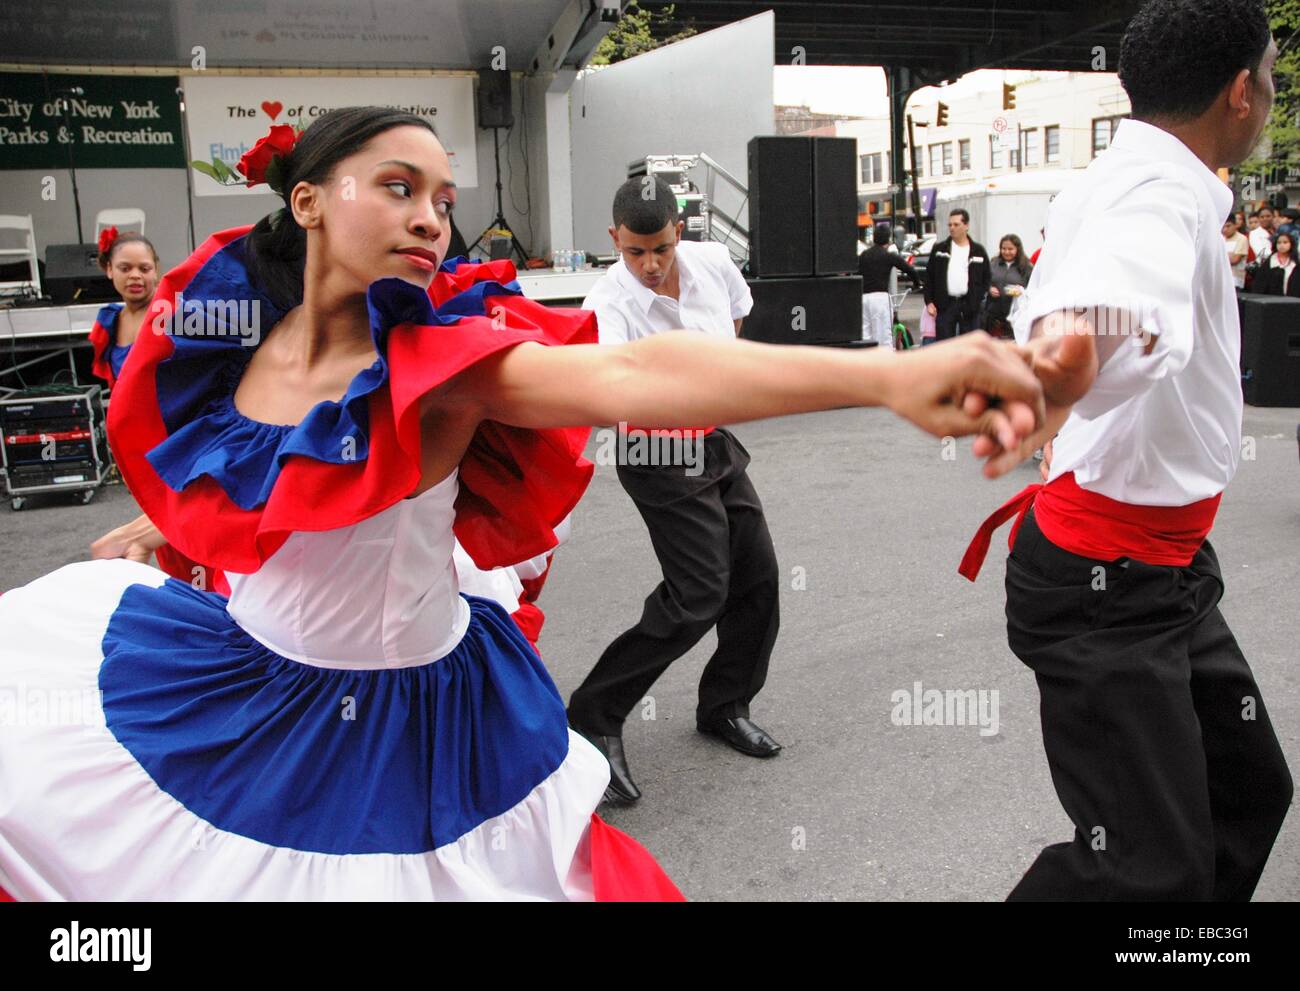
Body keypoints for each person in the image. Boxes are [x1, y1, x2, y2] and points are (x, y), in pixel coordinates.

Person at [0, 107, 1050, 901]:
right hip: (251, 678)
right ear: (309, 199)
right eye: (400, 186)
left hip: (415, 717)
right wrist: (160, 525)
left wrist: (881, 377)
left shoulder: (436, 356)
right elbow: (243, 487)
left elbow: (631, 377)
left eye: (443, 198)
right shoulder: (232, 338)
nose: (428, 216)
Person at [961, 0, 1292, 901]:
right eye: (1271, 74)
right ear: (1240, 91)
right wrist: (1070, 360)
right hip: (1104, 582)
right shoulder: (1159, 194)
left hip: (1163, 566)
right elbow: (1111, 305)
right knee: (1147, 870)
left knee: (1249, 789)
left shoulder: (1127, 177)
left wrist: (1067, 370)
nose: (1271, 91)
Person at [565, 176, 780, 805]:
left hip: (714, 438)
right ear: (614, 241)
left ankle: (724, 704)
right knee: (698, 595)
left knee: (759, 578)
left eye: (660, 248)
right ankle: (592, 715)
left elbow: (738, 316)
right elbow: (607, 397)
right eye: (635, 252)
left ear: (679, 233)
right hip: (656, 449)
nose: (650, 265)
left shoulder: (712, 262)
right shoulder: (606, 306)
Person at [89, 227, 160, 388]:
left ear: (155, 270)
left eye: (144, 268)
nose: (135, 275)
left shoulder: (172, 311)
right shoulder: (111, 321)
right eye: (125, 268)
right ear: (109, 269)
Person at [923, 208, 991, 343]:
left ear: (966, 226)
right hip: (945, 305)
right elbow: (929, 277)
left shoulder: (978, 251)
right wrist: (929, 302)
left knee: (970, 345)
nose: (952, 228)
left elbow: (986, 278)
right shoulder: (940, 250)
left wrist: (977, 298)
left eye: (956, 224)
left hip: (969, 305)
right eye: (950, 225)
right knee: (944, 345)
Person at [859, 222, 922, 350]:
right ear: (888, 239)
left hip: (863, 298)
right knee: (883, 337)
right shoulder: (888, 256)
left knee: (866, 336)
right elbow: (910, 270)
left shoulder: (864, 255)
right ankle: (885, 366)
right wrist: (917, 283)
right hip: (880, 298)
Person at [983, 234, 1033, 337]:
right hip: (993, 316)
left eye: (1010, 249)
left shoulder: (1027, 267)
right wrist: (989, 288)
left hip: (1015, 318)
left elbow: (1033, 289)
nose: (1006, 252)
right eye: (1003, 248)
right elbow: (982, 281)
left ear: (1017, 249)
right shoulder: (993, 263)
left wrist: (1021, 291)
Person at [1257, 230, 1300, 296]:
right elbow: (1260, 285)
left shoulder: (1295, 263)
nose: (1281, 245)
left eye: (1285, 242)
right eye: (1279, 243)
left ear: (1291, 244)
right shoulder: (1270, 262)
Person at [1223, 212, 1250, 288]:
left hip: (1235, 280)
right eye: (1223, 226)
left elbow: (1235, 259)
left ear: (1235, 225)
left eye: (1228, 226)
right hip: (1221, 278)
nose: (1225, 229)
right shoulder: (1221, 238)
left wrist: (1221, 256)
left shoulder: (1242, 238)